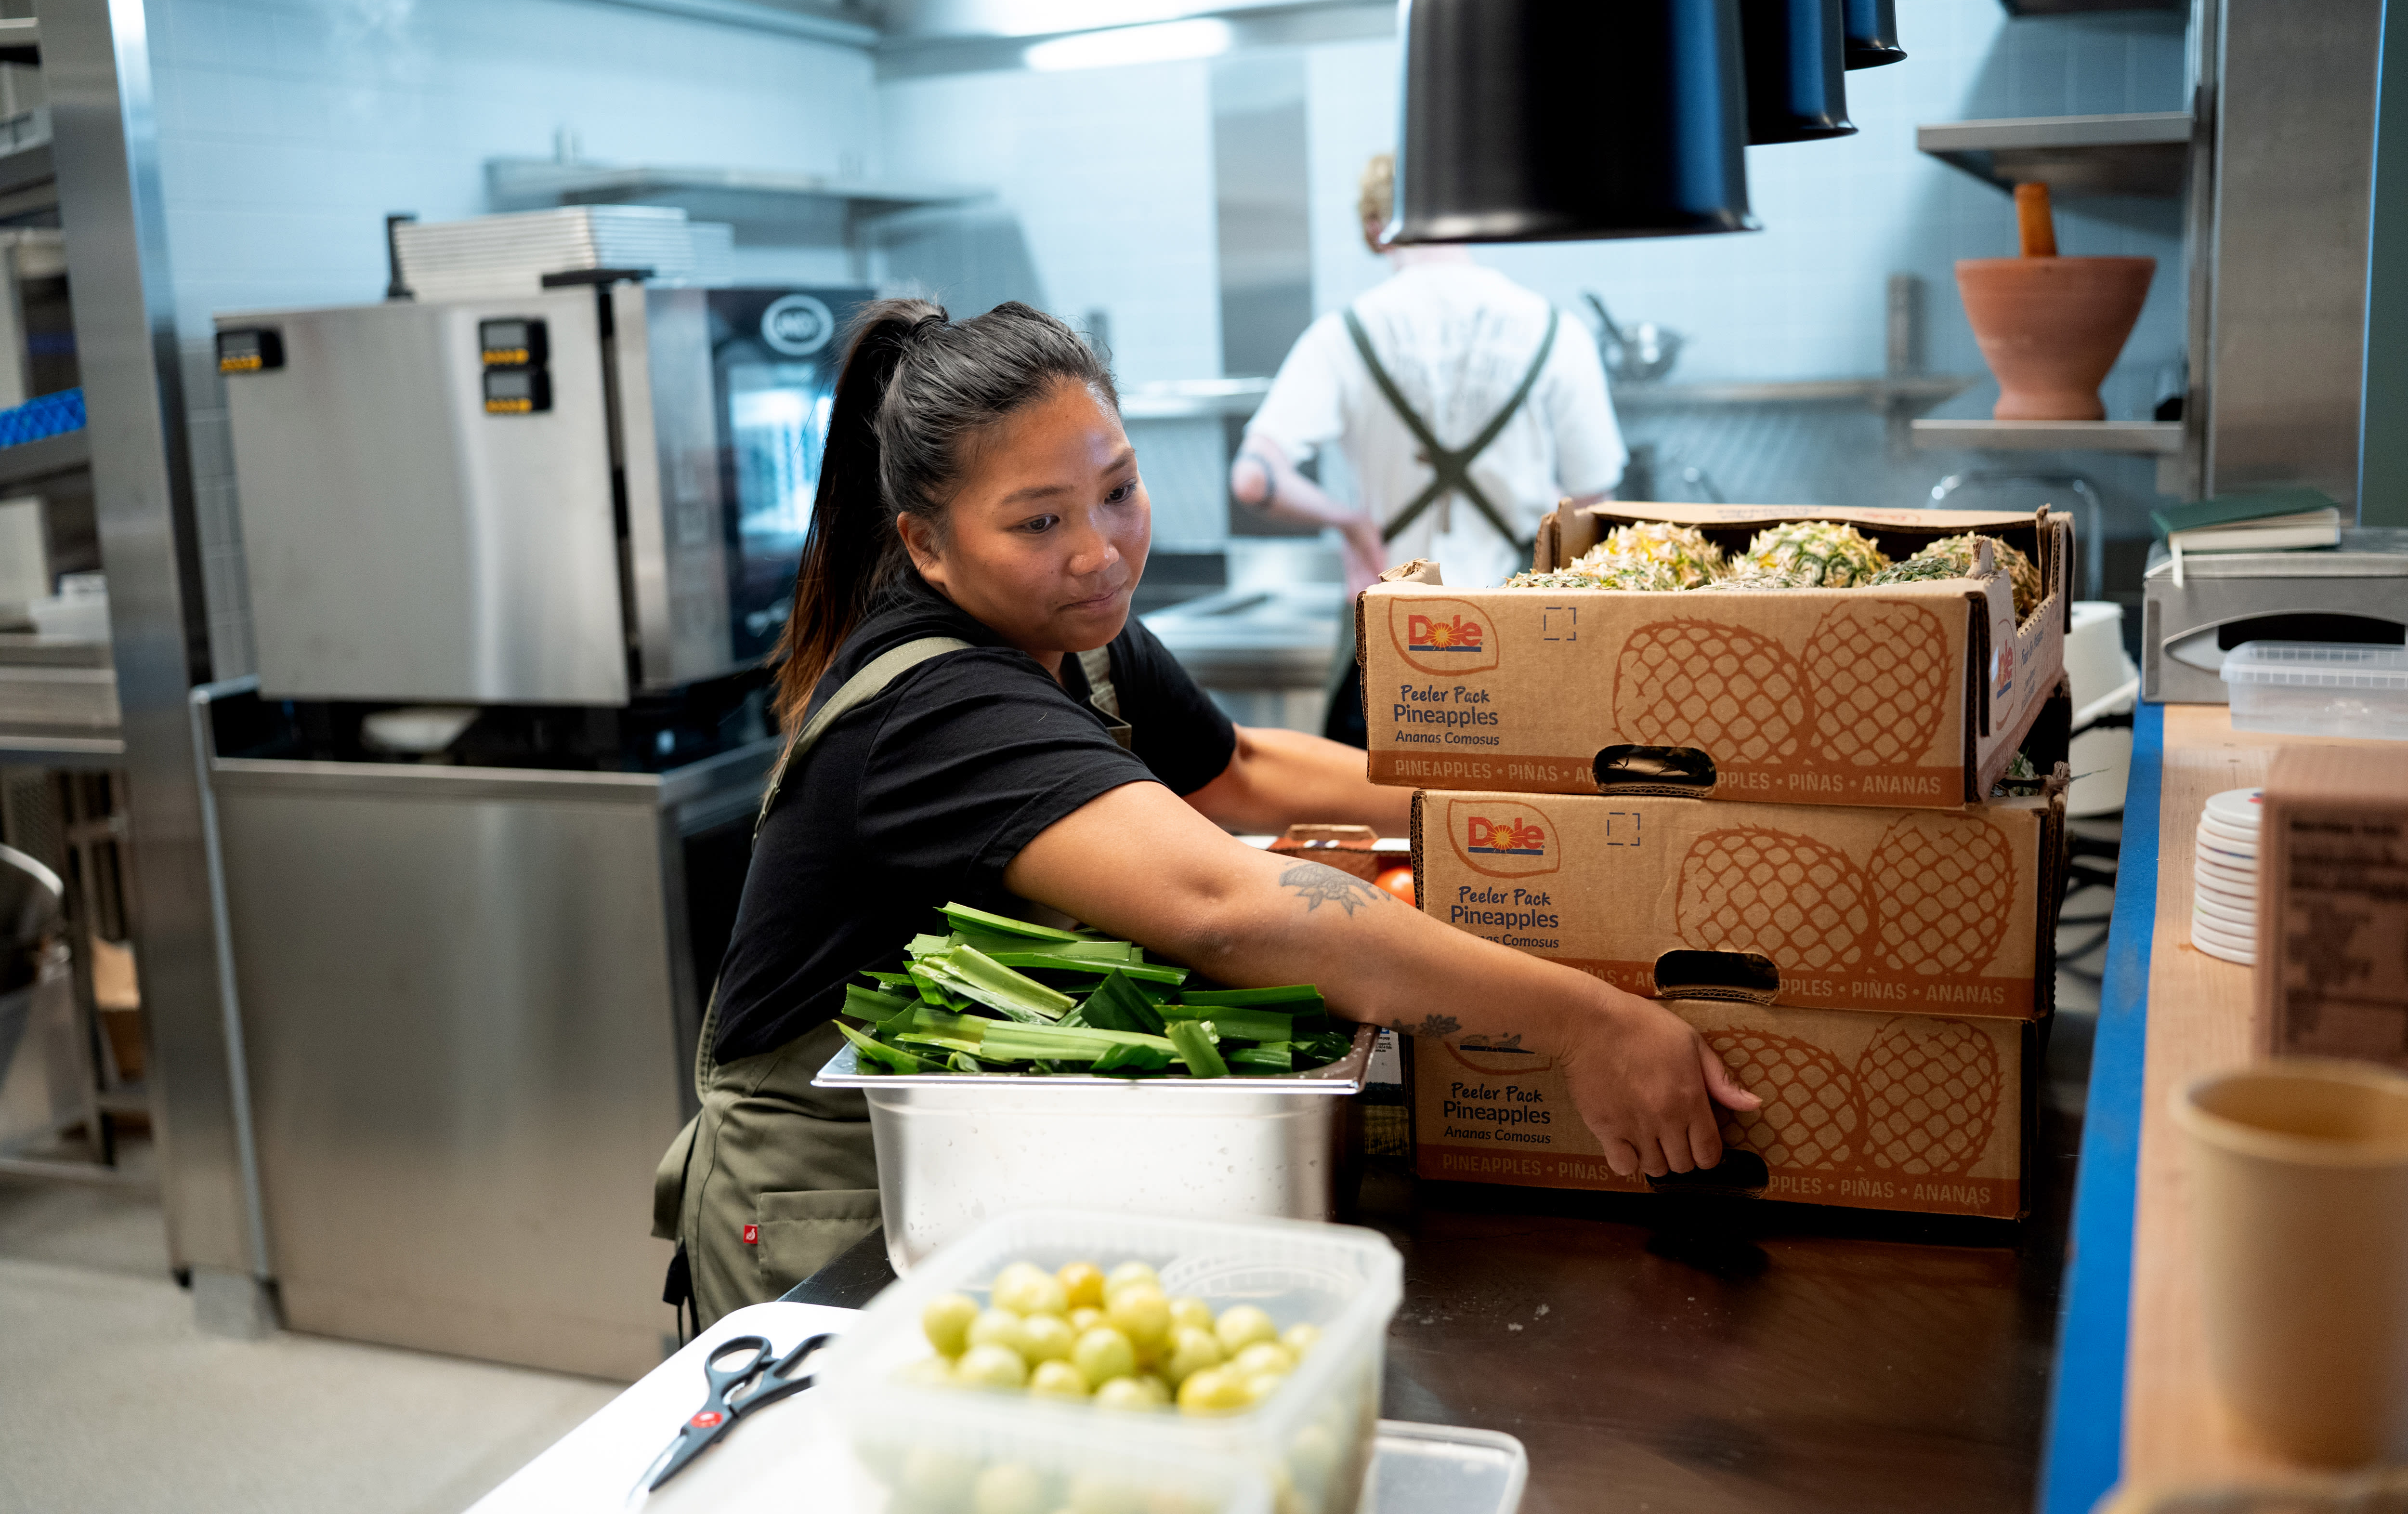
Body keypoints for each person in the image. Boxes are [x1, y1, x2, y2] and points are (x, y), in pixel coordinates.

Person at [654, 299, 1754, 1329]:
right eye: (1038, 521)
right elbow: (1225, 904)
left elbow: (1243, 767)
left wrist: (1544, 801)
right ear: (928, 545)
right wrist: (1587, 1021)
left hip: (979, 1167)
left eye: (1119, 491)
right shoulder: (939, 705)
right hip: (837, 1203)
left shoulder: (1065, 629)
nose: (1099, 549)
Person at [1231, 153, 1625, 744]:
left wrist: (1350, 522)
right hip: (1517, 630)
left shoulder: (1341, 336)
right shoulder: (1552, 328)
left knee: (1386, 825)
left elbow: (1254, 481)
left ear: (1374, 227)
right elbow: (1594, 503)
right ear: (1468, 216)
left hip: (1394, 633)